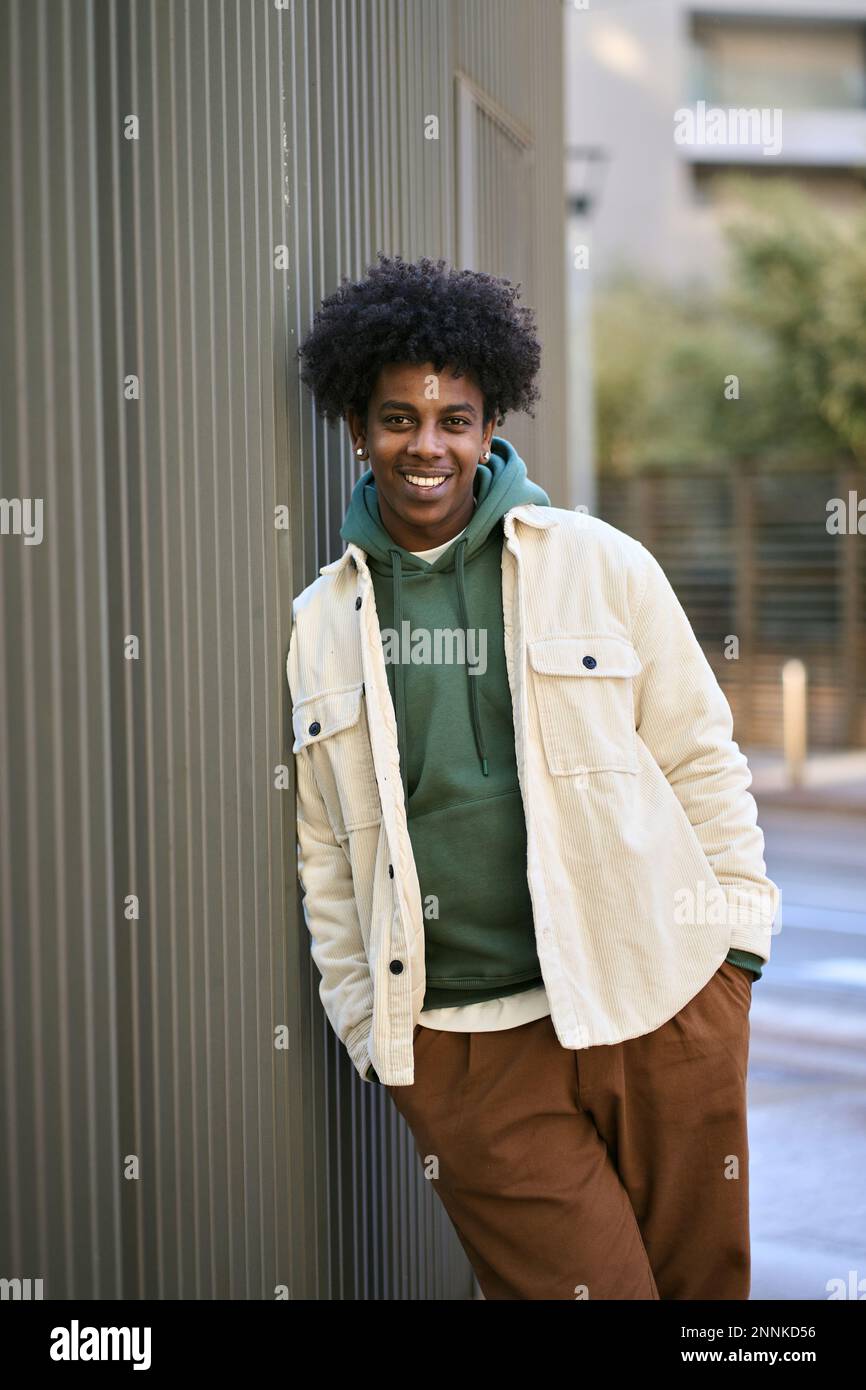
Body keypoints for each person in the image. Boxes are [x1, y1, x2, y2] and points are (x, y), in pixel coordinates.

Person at [286, 253, 778, 1300]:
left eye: (452, 419)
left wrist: (733, 949)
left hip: (658, 996)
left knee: (705, 1303)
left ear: (487, 426)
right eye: (397, 419)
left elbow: (698, 755)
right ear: (356, 429)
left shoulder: (599, 563)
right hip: (467, 1046)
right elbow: (325, 849)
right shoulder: (319, 625)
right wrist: (372, 1031)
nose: (427, 446)